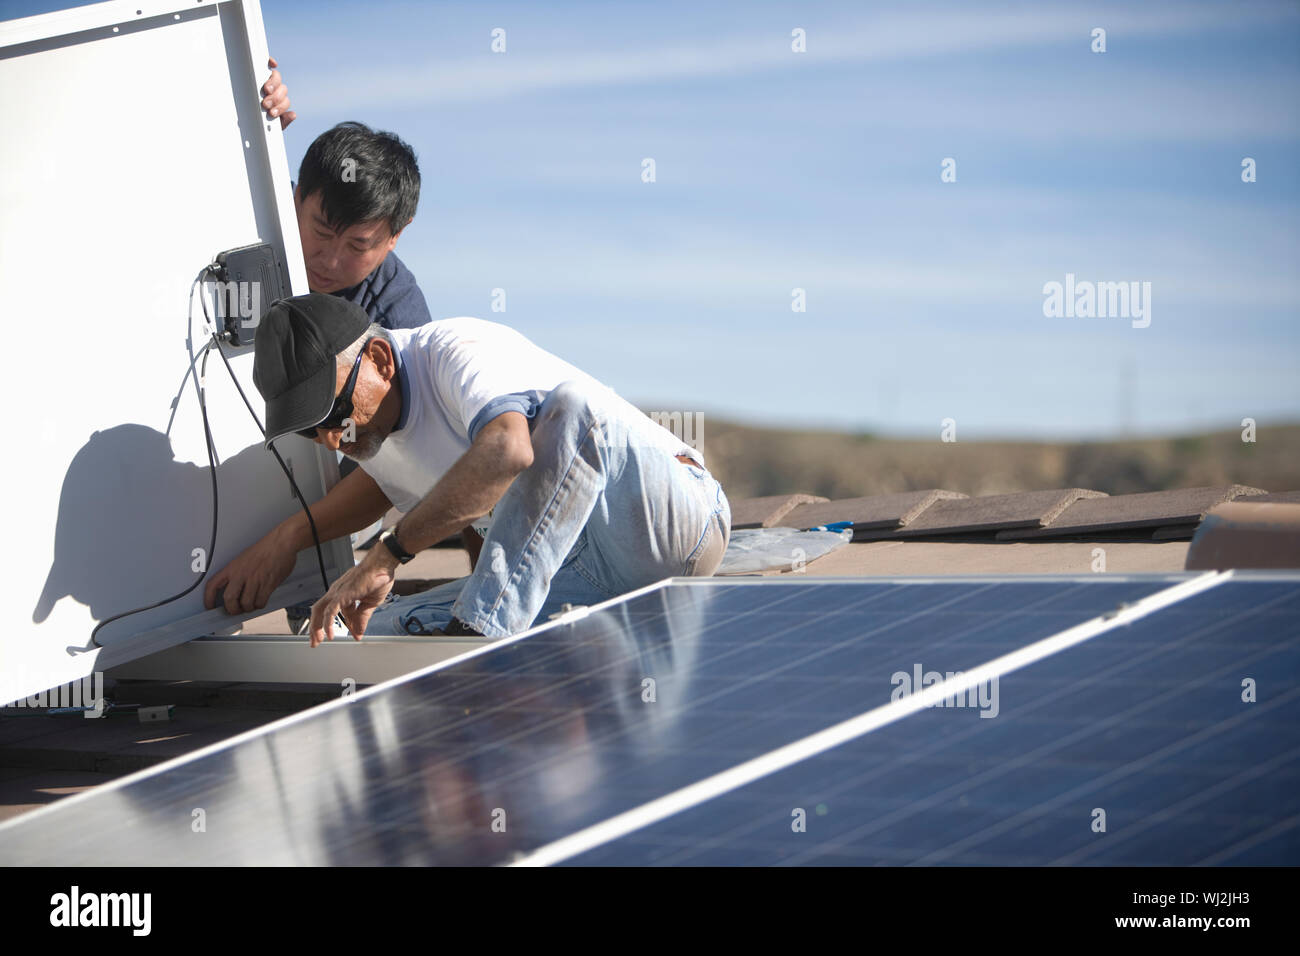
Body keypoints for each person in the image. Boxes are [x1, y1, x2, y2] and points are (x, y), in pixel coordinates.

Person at [202, 294, 731, 643]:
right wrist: (288, 537)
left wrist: (388, 554)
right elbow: (391, 490)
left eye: (336, 413)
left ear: (382, 360)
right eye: (310, 430)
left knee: (575, 410)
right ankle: (479, 636)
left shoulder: (454, 351)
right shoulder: (373, 435)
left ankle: (482, 639)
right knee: (372, 637)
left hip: (664, 528)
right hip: (572, 573)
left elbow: (508, 451)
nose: (332, 438)